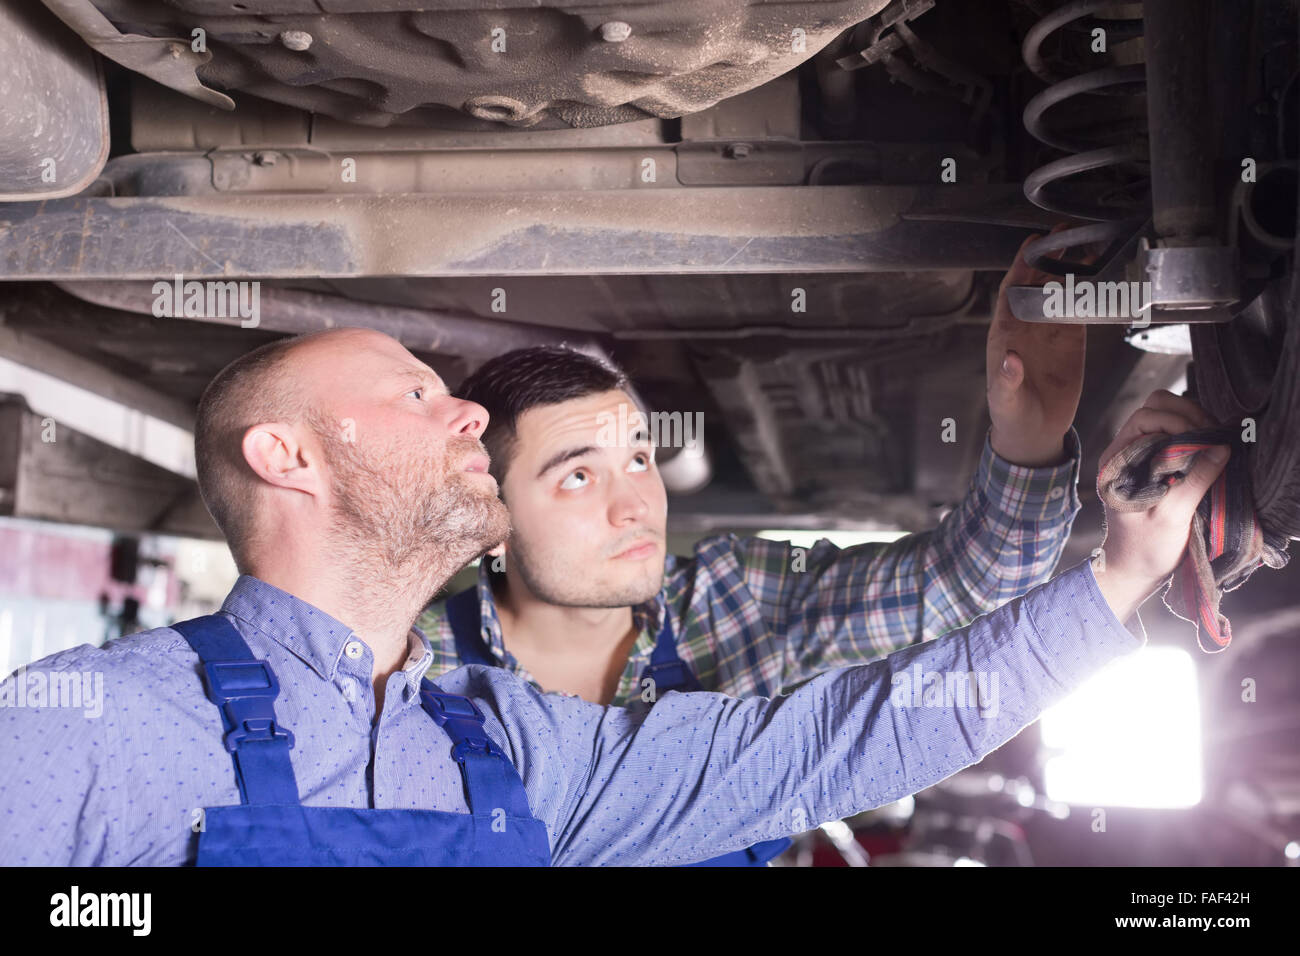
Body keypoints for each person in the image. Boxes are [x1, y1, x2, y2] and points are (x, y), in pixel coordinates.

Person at [0, 325, 1226, 866]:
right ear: (288, 456)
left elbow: (836, 740)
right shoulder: (90, 727)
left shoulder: (512, 746)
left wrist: (1120, 572)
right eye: (417, 394)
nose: (463, 411)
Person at [418, 235, 1093, 864]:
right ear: (489, 518)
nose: (636, 505)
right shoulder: (415, 668)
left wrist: (1029, 438)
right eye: (578, 476)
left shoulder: (734, 599)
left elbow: (970, 582)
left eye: (639, 459)